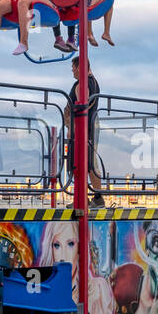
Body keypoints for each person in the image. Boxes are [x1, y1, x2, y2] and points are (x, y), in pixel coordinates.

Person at [63, 56, 103, 206]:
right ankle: (92, 197)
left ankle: (88, 198)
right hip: (88, 126)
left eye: (73, 68)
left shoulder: (84, 84)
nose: (72, 71)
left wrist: (73, 128)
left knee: (83, 161)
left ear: (80, 67)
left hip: (83, 127)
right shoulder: (91, 82)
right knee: (87, 161)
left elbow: (81, 108)